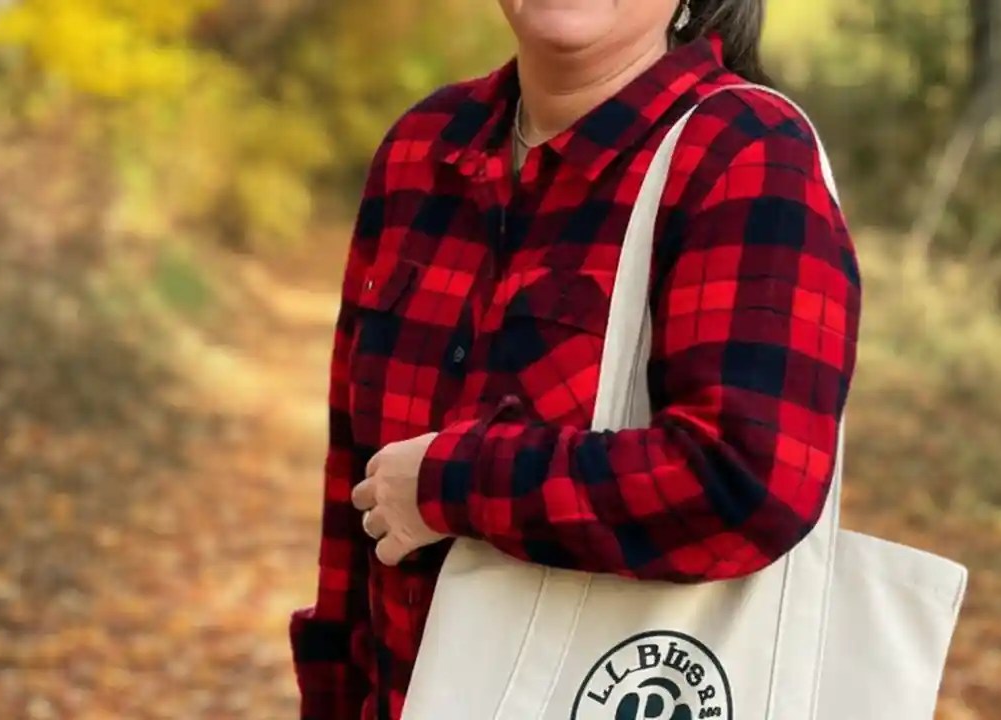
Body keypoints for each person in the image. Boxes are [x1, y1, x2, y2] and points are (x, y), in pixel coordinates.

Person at [289, 1, 862, 718]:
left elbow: (747, 482)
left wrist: (454, 483)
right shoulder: (424, 147)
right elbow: (354, 477)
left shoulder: (745, 153)